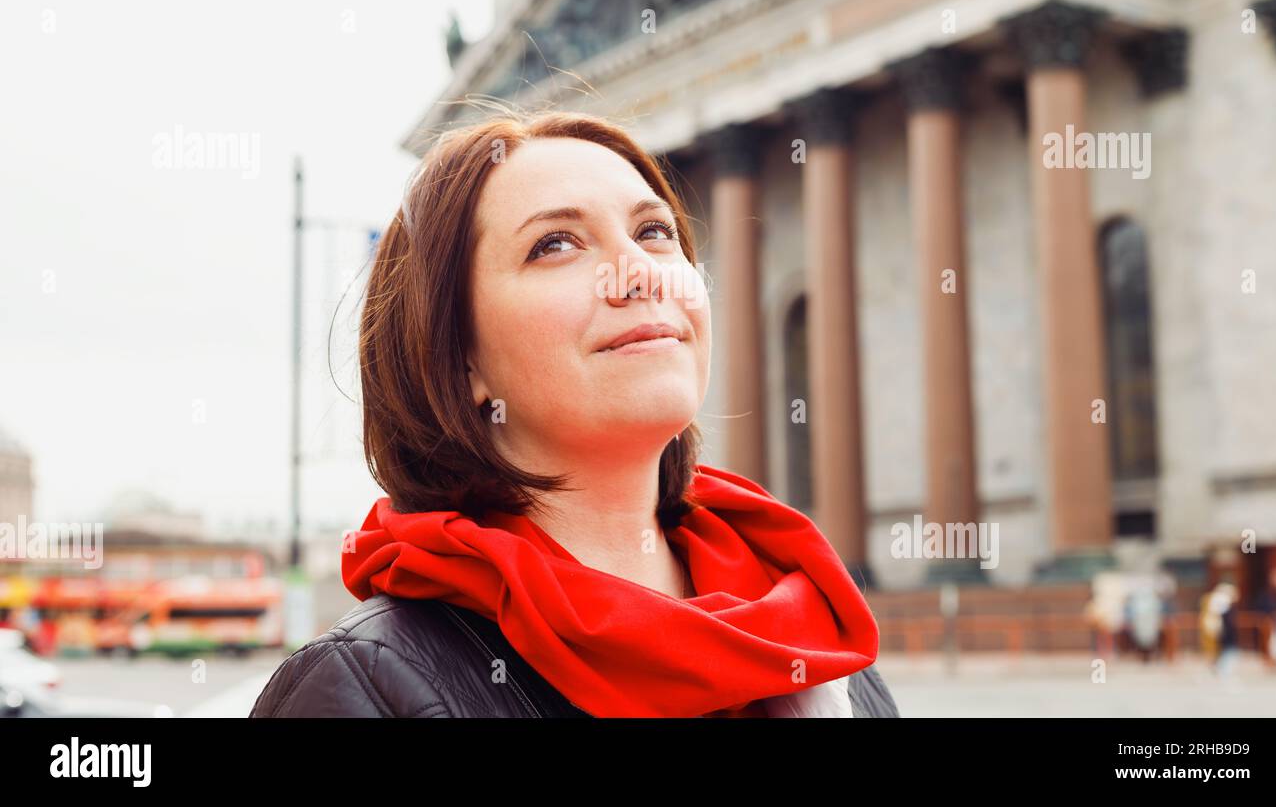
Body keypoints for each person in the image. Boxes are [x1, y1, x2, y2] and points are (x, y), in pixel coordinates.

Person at [250, 107, 898, 718]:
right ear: (459, 359)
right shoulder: (363, 690)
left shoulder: (819, 641)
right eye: (556, 245)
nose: (639, 273)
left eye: (654, 232)